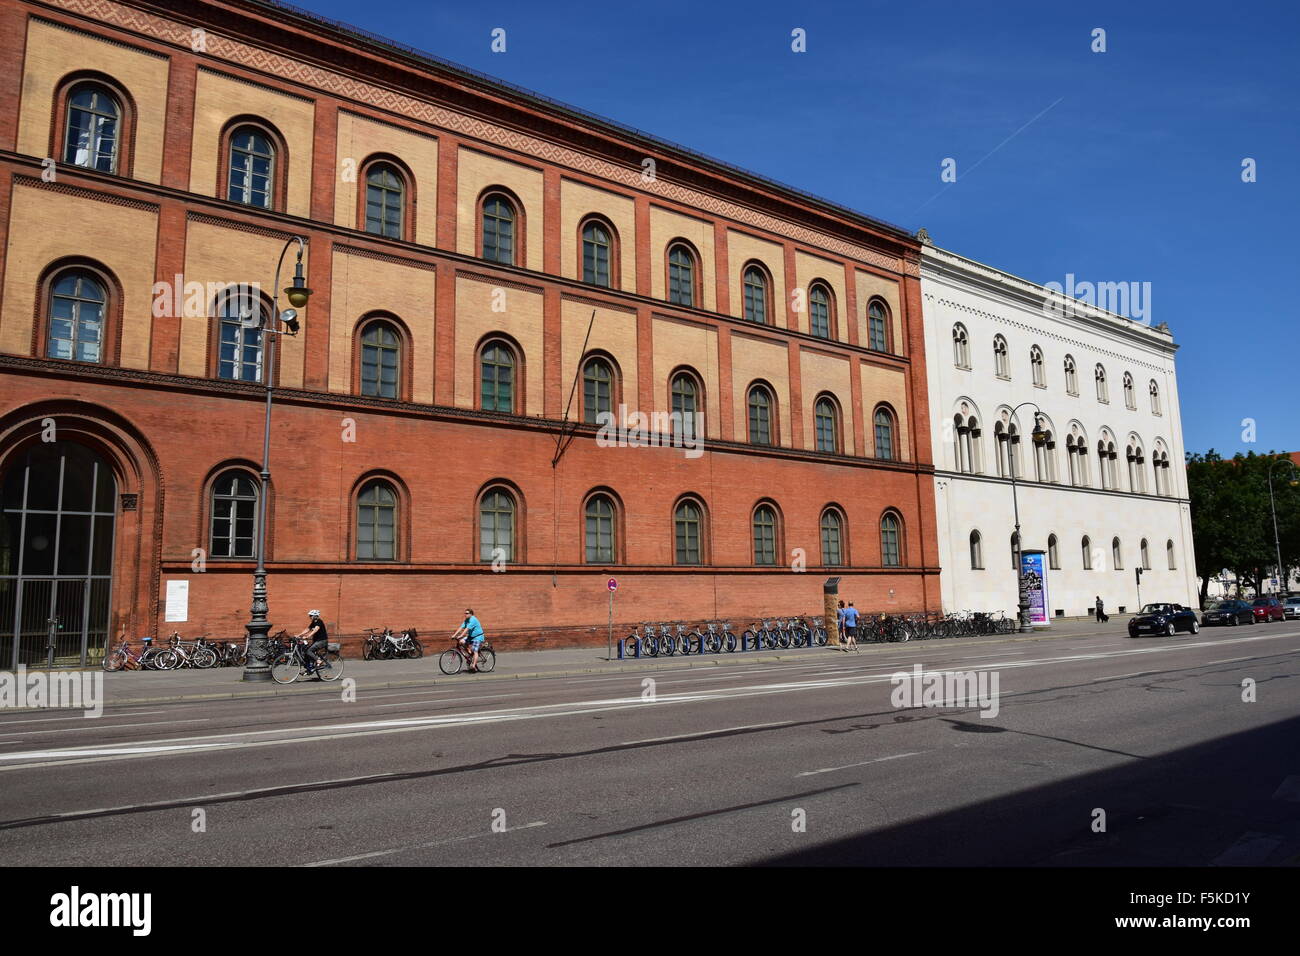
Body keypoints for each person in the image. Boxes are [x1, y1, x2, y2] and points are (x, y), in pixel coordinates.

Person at [452, 607, 485, 672]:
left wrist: (461, 635)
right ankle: (469, 652)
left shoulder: (473, 620)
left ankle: (473, 666)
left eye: (467, 613)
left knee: (475, 651)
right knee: (461, 642)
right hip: (471, 636)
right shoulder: (466, 620)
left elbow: (467, 629)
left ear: (471, 614)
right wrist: (454, 635)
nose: (465, 614)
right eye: (465, 613)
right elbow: (461, 627)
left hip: (477, 637)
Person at [296, 610, 329, 675]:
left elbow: (316, 630)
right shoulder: (313, 622)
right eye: (309, 616)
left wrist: (308, 636)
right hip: (316, 641)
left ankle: (318, 660)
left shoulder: (319, 622)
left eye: (311, 616)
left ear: (315, 616)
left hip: (322, 641)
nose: (310, 617)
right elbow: (308, 629)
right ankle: (309, 669)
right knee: (306, 652)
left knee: (309, 651)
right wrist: (299, 635)